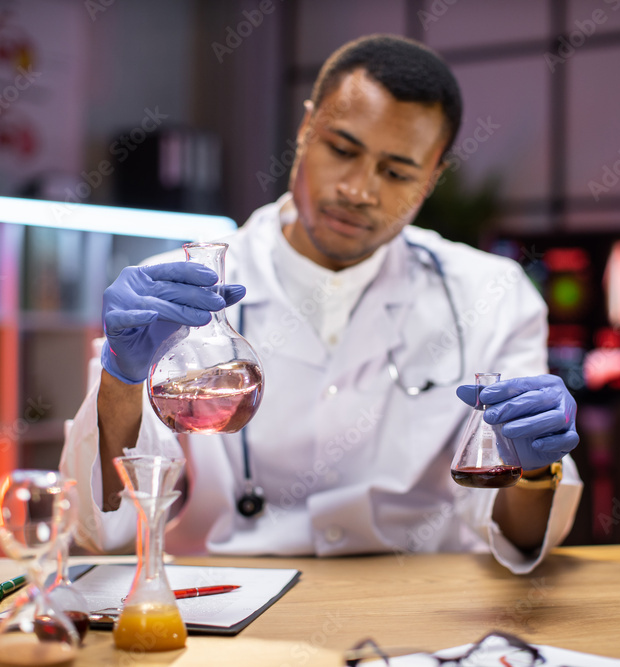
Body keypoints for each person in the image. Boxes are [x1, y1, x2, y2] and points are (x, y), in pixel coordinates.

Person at [60, 34, 582, 574]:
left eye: (397, 172)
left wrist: (537, 469)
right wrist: (121, 379)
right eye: (341, 149)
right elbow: (106, 529)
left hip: (422, 611)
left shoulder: (490, 293)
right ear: (307, 127)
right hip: (227, 606)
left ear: (433, 178)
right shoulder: (178, 288)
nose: (359, 190)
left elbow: (516, 533)